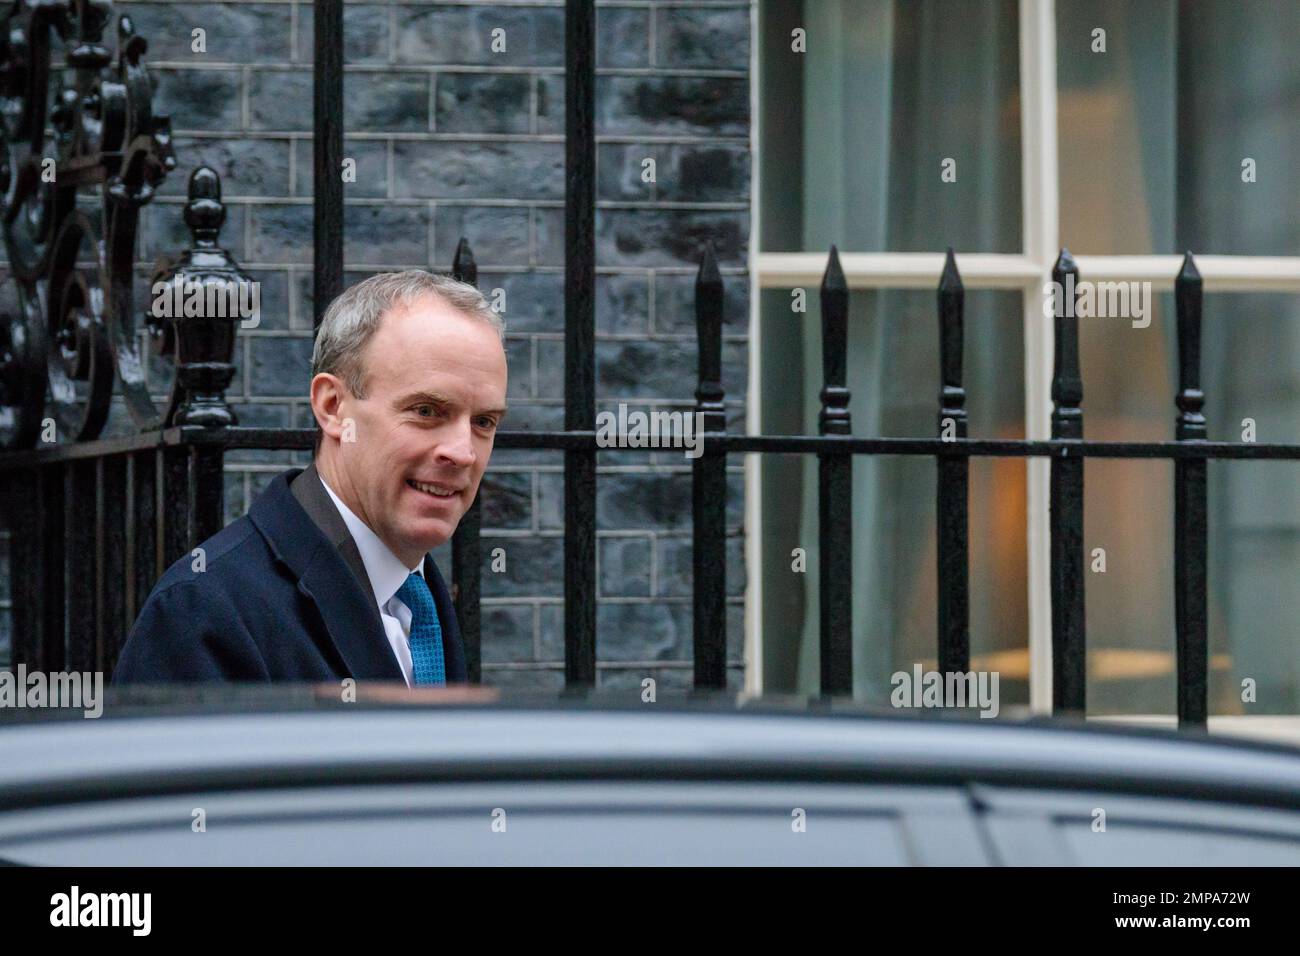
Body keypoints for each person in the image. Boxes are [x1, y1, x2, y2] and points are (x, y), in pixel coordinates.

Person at [113, 271, 508, 685]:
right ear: (333, 406)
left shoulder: (418, 599)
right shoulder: (201, 612)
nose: (463, 452)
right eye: (427, 411)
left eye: (483, 421)